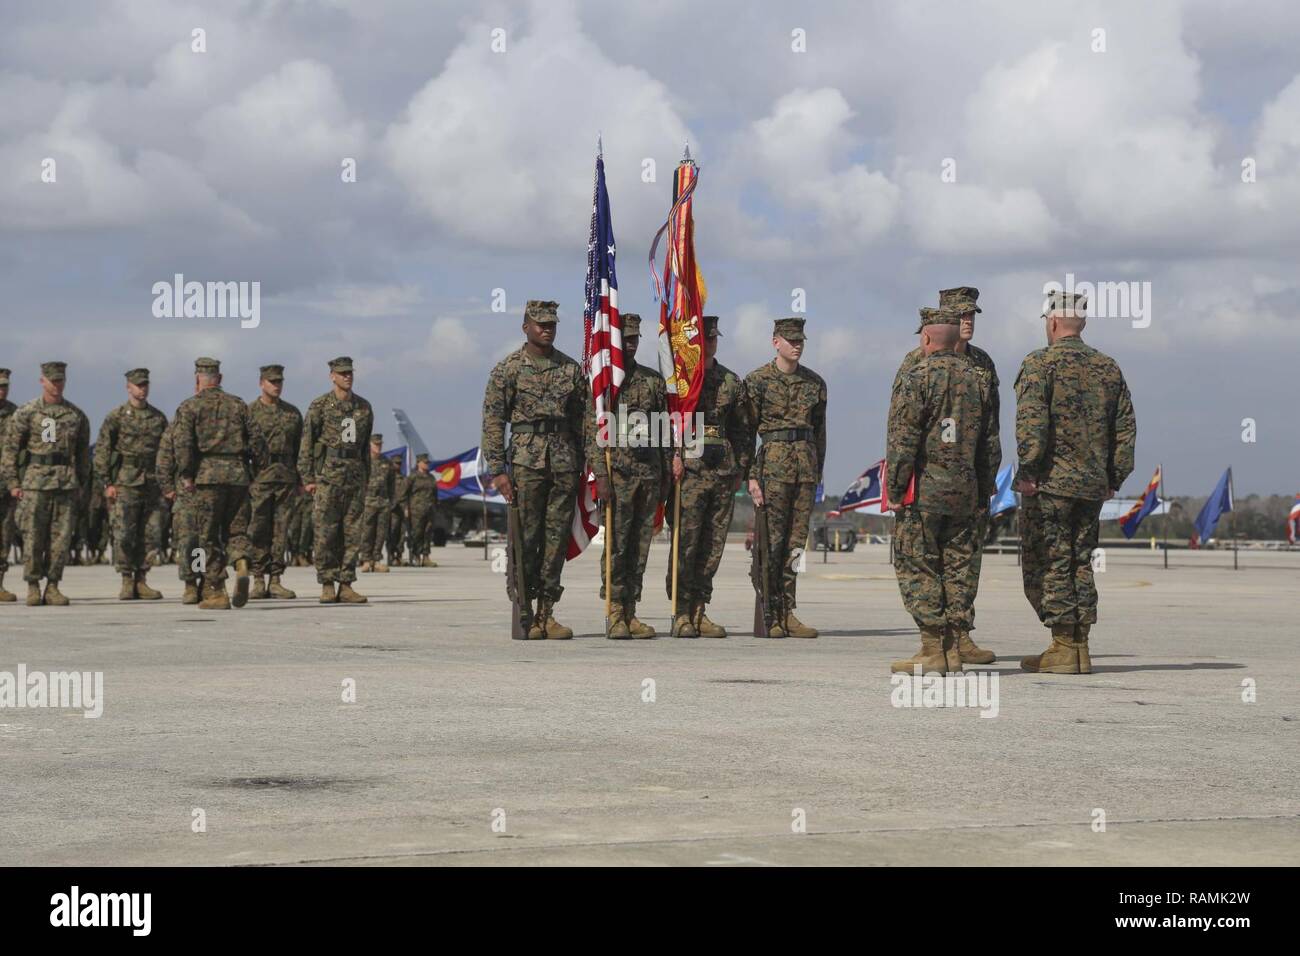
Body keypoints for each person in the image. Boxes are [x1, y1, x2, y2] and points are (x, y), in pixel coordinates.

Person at [1015, 291, 1136, 674]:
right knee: (1081, 561)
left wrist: (1028, 472)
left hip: (1051, 485)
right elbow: (1126, 429)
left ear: (1051, 323)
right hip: (1091, 486)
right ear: (1081, 323)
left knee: (1050, 561)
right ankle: (1080, 647)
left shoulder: (1039, 364)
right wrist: (1113, 477)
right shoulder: (1108, 367)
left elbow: (1032, 426)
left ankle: (1064, 645)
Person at [887, 309, 1000, 673]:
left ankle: (933, 647)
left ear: (926, 339)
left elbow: (903, 440)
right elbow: (990, 444)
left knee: (917, 563)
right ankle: (954, 648)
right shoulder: (979, 379)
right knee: (960, 568)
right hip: (966, 491)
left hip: (925, 492)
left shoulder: (917, 375)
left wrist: (894, 487)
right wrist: (985, 490)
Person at [481, 299, 587, 639]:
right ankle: (524, 608)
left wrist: (593, 467)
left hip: (564, 464)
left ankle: (547, 613)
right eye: (540, 323)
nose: (547, 328)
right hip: (526, 464)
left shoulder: (571, 370)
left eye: (552, 323)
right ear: (525, 326)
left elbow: (584, 423)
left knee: (555, 540)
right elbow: (493, 422)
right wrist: (498, 469)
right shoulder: (508, 369)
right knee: (526, 538)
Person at [664, 315, 751, 637]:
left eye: (714, 338)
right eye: (704, 338)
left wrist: (740, 466)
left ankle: (700, 609)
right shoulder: (681, 381)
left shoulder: (731, 381)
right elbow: (667, 423)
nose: (710, 343)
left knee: (712, 546)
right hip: (690, 472)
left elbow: (743, 429)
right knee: (685, 544)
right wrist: (673, 456)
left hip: (722, 472)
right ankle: (680, 612)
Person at [743, 318, 828, 638]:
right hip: (773, 471)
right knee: (772, 544)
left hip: (804, 470)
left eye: (801, 340)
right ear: (775, 342)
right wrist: (752, 477)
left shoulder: (814, 384)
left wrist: (818, 473)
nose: (797, 345)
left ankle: (788, 610)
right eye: (790, 340)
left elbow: (820, 434)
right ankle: (771, 611)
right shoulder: (757, 381)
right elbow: (747, 434)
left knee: (795, 546)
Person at [587, 313, 669, 638]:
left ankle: (632, 611)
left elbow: (664, 433)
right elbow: (592, 431)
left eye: (635, 339)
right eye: (626, 338)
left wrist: (665, 473)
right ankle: (615, 612)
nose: (631, 344)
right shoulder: (606, 384)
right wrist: (600, 476)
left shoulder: (653, 382)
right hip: (618, 477)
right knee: (618, 547)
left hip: (648, 476)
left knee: (640, 548)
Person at [173, 357, 263, 610]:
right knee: (237, 531)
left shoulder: (189, 407)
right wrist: (253, 470)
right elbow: (257, 440)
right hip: (237, 475)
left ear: (197, 379)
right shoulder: (238, 405)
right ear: (219, 379)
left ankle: (216, 591)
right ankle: (242, 562)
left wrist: (187, 474)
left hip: (207, 477)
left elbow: (183, 445)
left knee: (209, 535)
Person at [0, 361, 91, 606]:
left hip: (64, 483)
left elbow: (83, 454)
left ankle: (52, 586)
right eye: (52, 381)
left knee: (60, 539)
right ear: (42, 381)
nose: (57, 385)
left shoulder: (76, 415)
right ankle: (32, 585)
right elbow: (10, 450)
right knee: (33, 537)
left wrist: (81, 483)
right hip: (35, 482)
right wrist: (13, 483)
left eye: (60, 380)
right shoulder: (27, 412)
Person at [299, 356, 373, 604]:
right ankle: (327, 583)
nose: (347, 377)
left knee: (352, 533)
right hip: (328, 477)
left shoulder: (363, 407)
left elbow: (365, 450)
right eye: (342, 373)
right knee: (325, 532)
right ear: (332, 376)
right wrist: (308, 478)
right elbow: (307, 443)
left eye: (349, 373)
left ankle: (346, 584)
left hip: (354, 477)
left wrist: (367, 478)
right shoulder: (320, 406)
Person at [94, 368, 168, 600]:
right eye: (137, 385)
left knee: (151, 533)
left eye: (145, 384)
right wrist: (106, 482)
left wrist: (167, 482)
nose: (142, 389)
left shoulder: (158, 418)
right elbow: (102, 450)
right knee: (124, 533)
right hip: (125, 482)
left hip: (152, 483)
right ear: (128, 387)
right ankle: (127, 578)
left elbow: (166, 452)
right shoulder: (116, 416)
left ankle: (142, 579)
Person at [247, 364, 303, 600]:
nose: (276, 385)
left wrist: (303, 478)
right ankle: (258, 578)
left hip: (286, 478)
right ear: (261, 383)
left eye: (279, 381)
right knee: (258, 528)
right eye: (272, 382)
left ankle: (276, 579)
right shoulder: (249, 412)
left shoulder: (292, 414)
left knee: (281, 530)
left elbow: (301, 449)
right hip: (259, 477)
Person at [358, 434, 394, 573]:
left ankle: (376, 560)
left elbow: (391, 484)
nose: (378, 447)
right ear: (370, 445)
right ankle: (366, 560)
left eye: (380, 444)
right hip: (368, 501)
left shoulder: (387, 462)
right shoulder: (364, 461)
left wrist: (390, 500)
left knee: (381, 534)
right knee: (367, 532)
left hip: (383, 502)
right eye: (376, 444)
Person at [400, 453, 439, 568]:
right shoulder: (412, 477)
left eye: (428, 463)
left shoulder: (431, 477)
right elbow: (403, 494)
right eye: (425, 462)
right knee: (416, 534)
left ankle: (425, 557)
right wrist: (406, 508)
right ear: (419, 463)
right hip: (416, 511)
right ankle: (415, 556)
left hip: (429, 510)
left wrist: (435, 507)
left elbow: (435, 494)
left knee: (427, 533)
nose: (427, 464)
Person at [0, 368, 16, 602]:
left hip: (6, 483)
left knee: (4, 535)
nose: (1, 390)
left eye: (4, 386)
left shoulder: (17, 414)